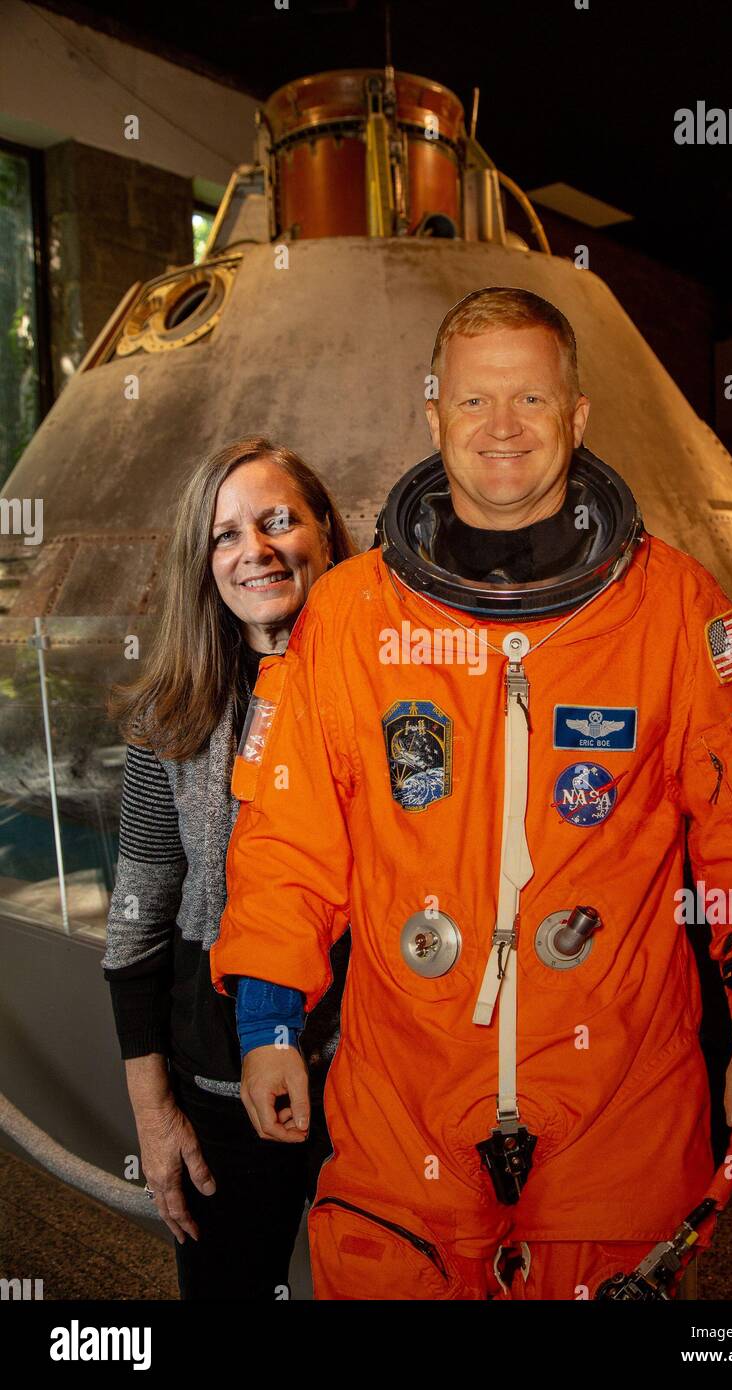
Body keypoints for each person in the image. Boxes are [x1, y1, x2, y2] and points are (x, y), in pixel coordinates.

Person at [211, 290, 732, 1301]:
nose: (501, 427)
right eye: (473, 401)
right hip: (401, 1102)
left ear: (576, 416)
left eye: (531, 399)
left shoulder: (671, 607)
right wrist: (269, 1025)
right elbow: (288, 841)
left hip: (620, 1100)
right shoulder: (349, 615)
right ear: (433, 416)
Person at [102, 436, 355, 1300]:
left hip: (380, 1061)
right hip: (220, 1071)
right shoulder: (169, 717)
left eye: (278, 520)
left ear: (324, 530)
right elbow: (138, 915)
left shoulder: (400, 689)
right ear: (202, 561)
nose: (256, 549)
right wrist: (154, 1110)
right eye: (226, 534)